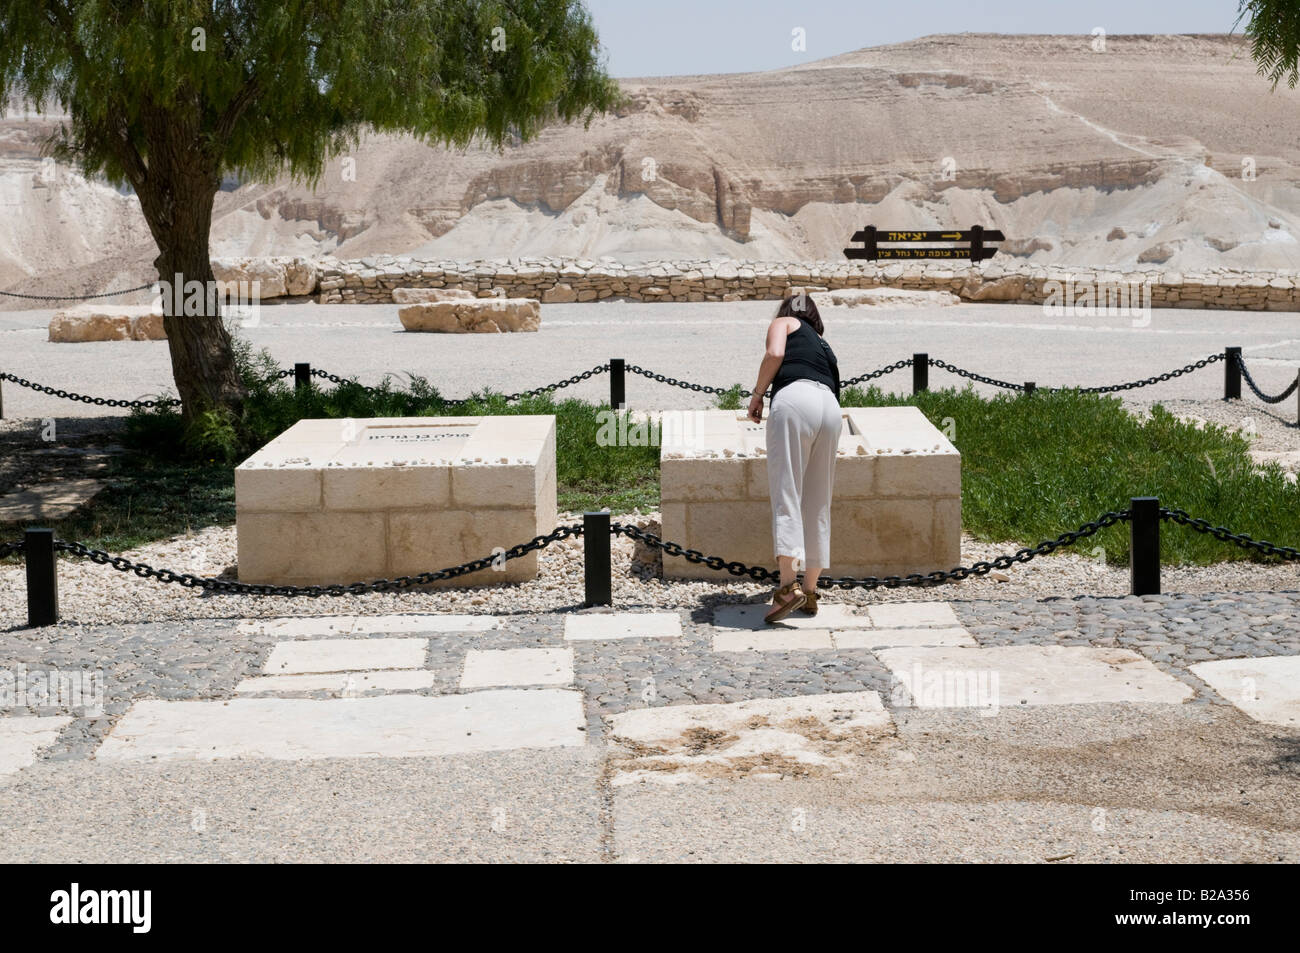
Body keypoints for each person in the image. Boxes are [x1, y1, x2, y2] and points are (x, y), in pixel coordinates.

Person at [747, 292, 841, 624]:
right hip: (830, 408)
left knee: (787, 492)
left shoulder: (783, 322)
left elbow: (775, 353)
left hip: (794, 398)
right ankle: (811, 590)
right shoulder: (822, 342)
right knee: (818, 500)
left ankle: (788, 589)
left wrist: (757, 395)